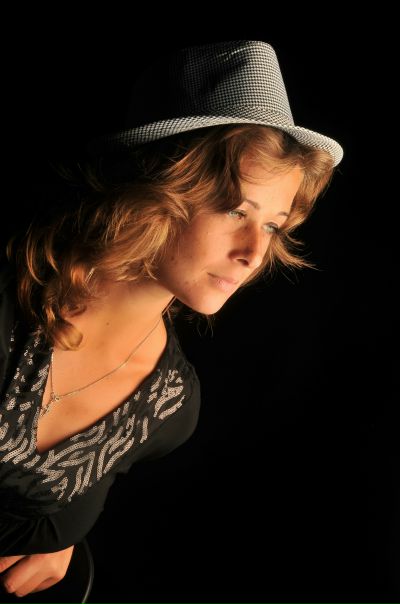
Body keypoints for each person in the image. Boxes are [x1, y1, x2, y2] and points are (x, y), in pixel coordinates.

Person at [0, 39, 343, 597]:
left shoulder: (169, 406)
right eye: (235, 210)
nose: (254, 252)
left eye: (273, 225)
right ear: (159, 191)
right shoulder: (13, 300)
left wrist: (62, 538)